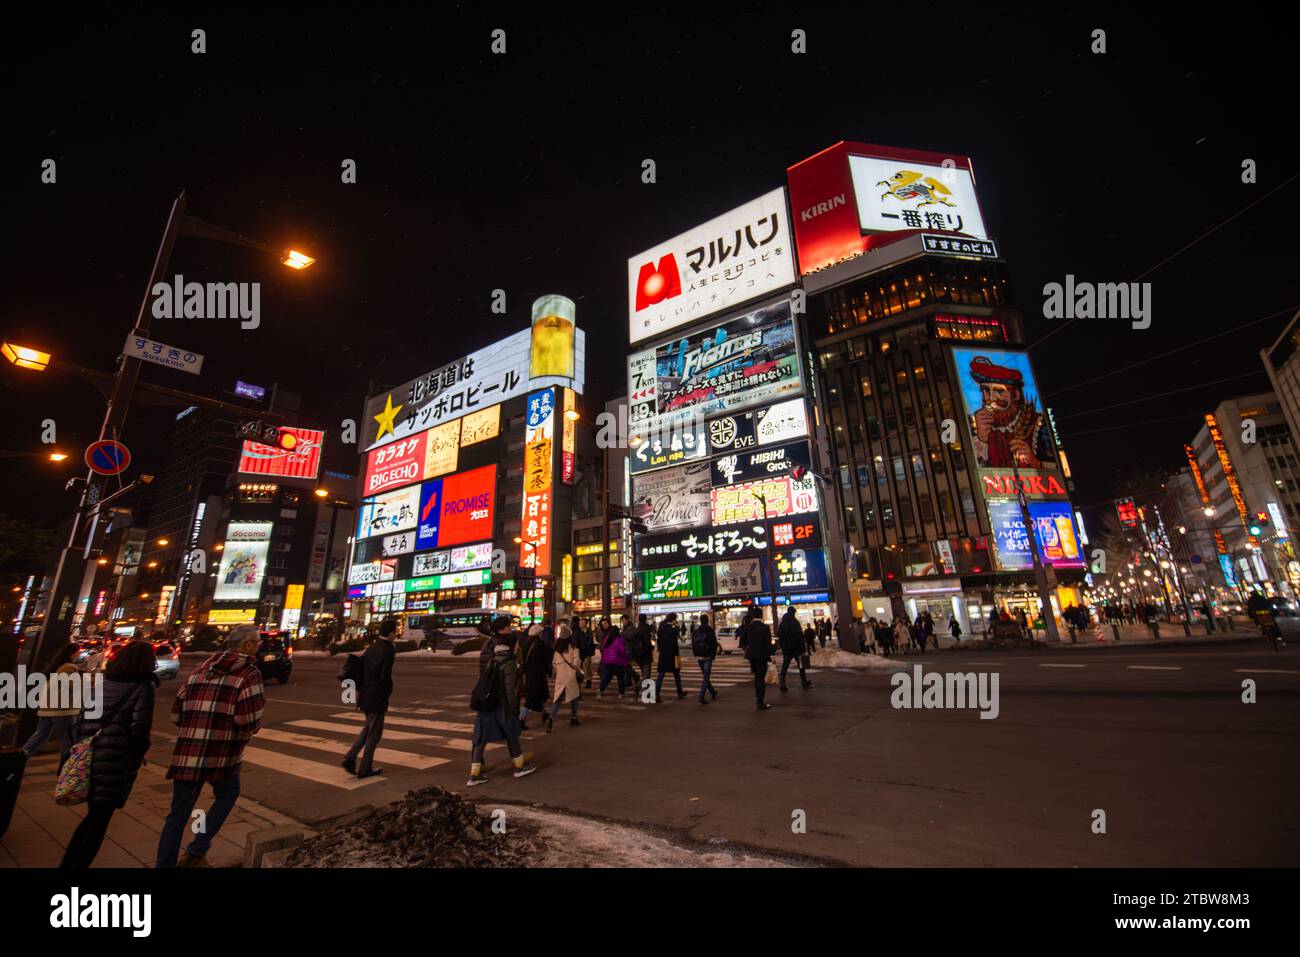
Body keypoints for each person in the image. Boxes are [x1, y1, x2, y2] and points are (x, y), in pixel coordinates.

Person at [156, 624, 265, 868]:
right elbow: (248, 719)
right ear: (246, 646)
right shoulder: (248, 672)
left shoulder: (201, 669)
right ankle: (197, 849)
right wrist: (245, 733)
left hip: (188, 753)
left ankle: (165, 864)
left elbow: (176, 713)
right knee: (227, 794)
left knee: (177, 815)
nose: (259, 647)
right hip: (222, 753)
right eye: (257, 643)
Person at [59, 640, 157, 869]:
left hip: (91, 756)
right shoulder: (143, 687)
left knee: (94, 817)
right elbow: (139, 729)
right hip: (116, 761)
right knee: (98, 823)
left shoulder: (103, 683)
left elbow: (82, 720)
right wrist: (139, 750)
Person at [467, 617, 536, 786]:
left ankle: (474, 774)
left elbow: (482, 673)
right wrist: (513, 709)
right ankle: (520, 765)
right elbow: (509, 687)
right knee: (511, 731)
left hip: (485, 699)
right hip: (500, 702)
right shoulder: (508, 661)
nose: (511, 629)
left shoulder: (489, 651)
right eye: (509, 627)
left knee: (481, 737)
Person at [342, 616, 397, 778]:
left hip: (365, 695)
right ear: (391, 633)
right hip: (376, 697)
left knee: (367, 729)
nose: (396, 634)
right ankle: (365, 768)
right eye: (395, 631)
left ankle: (350, 757)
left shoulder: (372, 647)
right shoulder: (388, 649)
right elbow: (384, 676)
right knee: (374, 734)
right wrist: (387, 693)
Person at [21, 643, 81, 769]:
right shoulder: (69, 668)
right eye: (78, 652)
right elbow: (74, 687)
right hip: (62, 710)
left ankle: (19, 759)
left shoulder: (57, 667)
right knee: (68, 739)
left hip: (47, 708)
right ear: (72, 654)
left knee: (40, 735)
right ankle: (66, 768)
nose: (79, 654)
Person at [519, 622, 554, 731]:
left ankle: (544, 714)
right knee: (532, 698)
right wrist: (549, 671)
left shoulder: (526, 643)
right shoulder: (540, 644)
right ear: (539, 633)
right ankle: (521, 720)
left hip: (529, 674)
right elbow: (545, 660)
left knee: (537, 696)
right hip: (538, 674)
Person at [738, 607, 774, 711]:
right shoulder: (765, 628)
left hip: (752, 656)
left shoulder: (748, 627)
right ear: (761, 616)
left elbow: (743, 642)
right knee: (761, 678)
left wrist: (748, 647)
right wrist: (772, 655)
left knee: (757, 677)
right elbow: (768, 644)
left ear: (753, 616)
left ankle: (758, 699)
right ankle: (760, 702)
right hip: (762, 655)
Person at [549, 625, 583, 729]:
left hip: (560, 677)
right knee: (574, 697)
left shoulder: (557, 649)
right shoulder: (574, 647)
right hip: (571, 675)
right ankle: (573, 718)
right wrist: (578, 670)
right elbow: (577, 662)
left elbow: (554, 664)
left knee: (557, 699)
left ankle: (551, 718)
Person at [777, 606, 811, 692]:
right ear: (793, 612)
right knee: (801, 666)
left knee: (785, 667)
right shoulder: (795, 622)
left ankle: (782, 684)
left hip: (787, 649)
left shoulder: (782, 623)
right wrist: (803, 649)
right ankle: (804, 683)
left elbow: (780, 635)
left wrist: (783, 645)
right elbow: (800, 636)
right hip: (796, 649)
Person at [653, 612, 686, 702]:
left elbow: (659, 642)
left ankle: (656, 694)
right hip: (673, 655)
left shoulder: (661, 629)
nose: (677, 621)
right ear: (673, 620)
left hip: (664, 655)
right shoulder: (673, 630)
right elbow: (675, 642)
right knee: (676, 674)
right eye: (676, 619)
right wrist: (677, 627)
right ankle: (679, 692)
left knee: (661, 675)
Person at [690, 614, 720, 704]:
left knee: (705, 676)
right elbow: (714, 643)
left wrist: (695, 654)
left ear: (700, 621)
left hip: (699, 656)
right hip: (707, 656)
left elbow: (693, 644)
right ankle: (701, 696)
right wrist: (713, 655)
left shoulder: (696, 630)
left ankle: (712, 692)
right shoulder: (709, 630)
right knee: (706, 677)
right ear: (707, 621)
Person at [598, 619, 629, 698]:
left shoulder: (606, 639)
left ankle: (600, 690)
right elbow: (622, 651)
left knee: (607, 677)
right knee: (621, 678)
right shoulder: (619, 640)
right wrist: (625, 661)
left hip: (607, 662)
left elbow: (602, 649)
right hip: (617, 662)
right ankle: (621, 694)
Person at [630, 613, 655, 691]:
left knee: (644, 673)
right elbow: (647, 641)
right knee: (647, 674)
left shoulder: (637, 629)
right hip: (645, 654)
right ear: (645, 619)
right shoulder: (646, 629)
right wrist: (652, 647)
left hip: (638, 654)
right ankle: (638, 686)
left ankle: (645, 691)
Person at [574, 617, 596, 689]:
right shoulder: (577, 631)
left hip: (587, 652)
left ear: (586, 623)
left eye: (583, 622)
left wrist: (585, 647)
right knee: (579, 667)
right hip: (579, 652)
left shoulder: (589, 632)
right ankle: (581, 679)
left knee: (587, 666)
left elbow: (590, 642)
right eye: (580, 622)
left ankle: (589, 681)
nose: (581, 623)